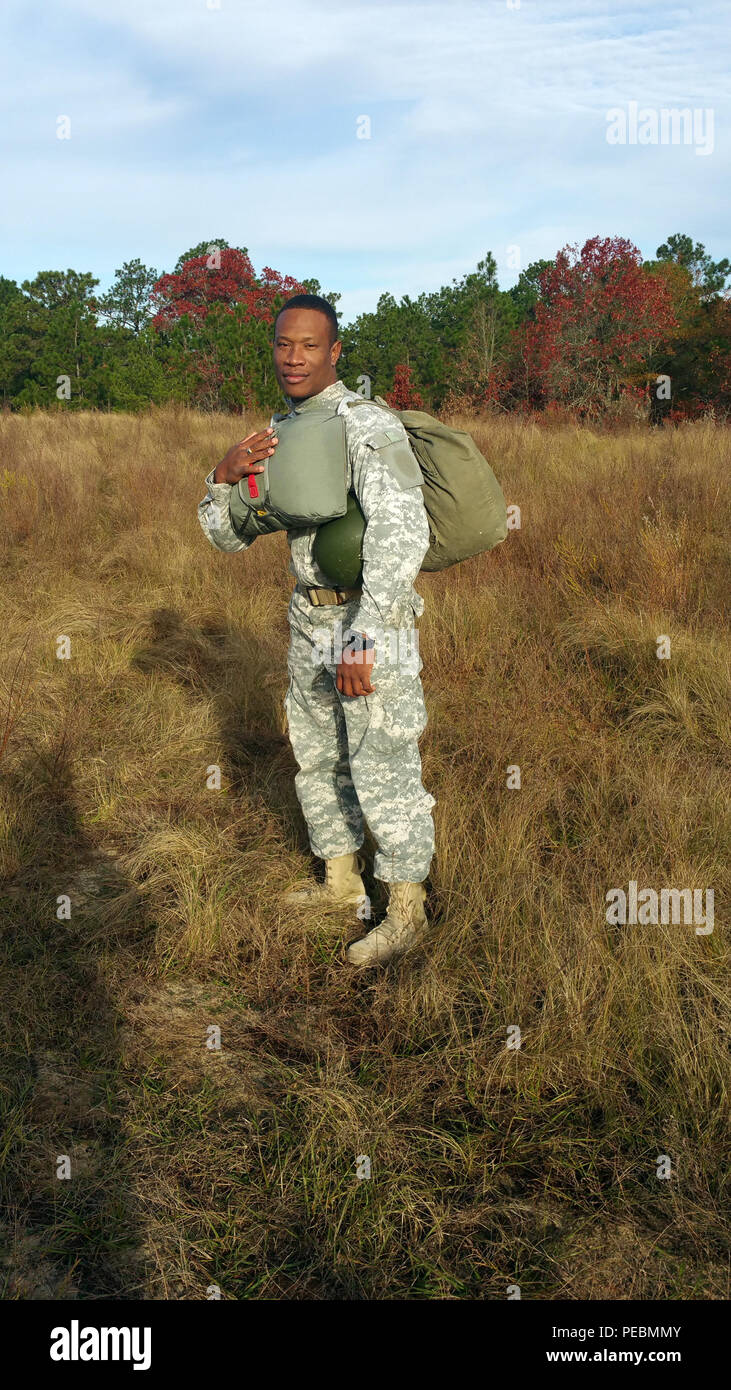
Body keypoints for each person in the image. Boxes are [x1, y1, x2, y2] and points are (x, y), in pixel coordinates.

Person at [198, 294, 435, 967]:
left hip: (367, 619)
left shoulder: (366, 425)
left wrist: (365, 636)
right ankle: (339, 882)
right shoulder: (281, 431)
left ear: (334, 352)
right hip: (308, 614)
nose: (293, 357)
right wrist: (223, 476)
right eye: (282, 344)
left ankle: (405, 909)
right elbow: (225, 538)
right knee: (317, 752)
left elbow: (399, 532)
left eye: (308, 345)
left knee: (382, 760)